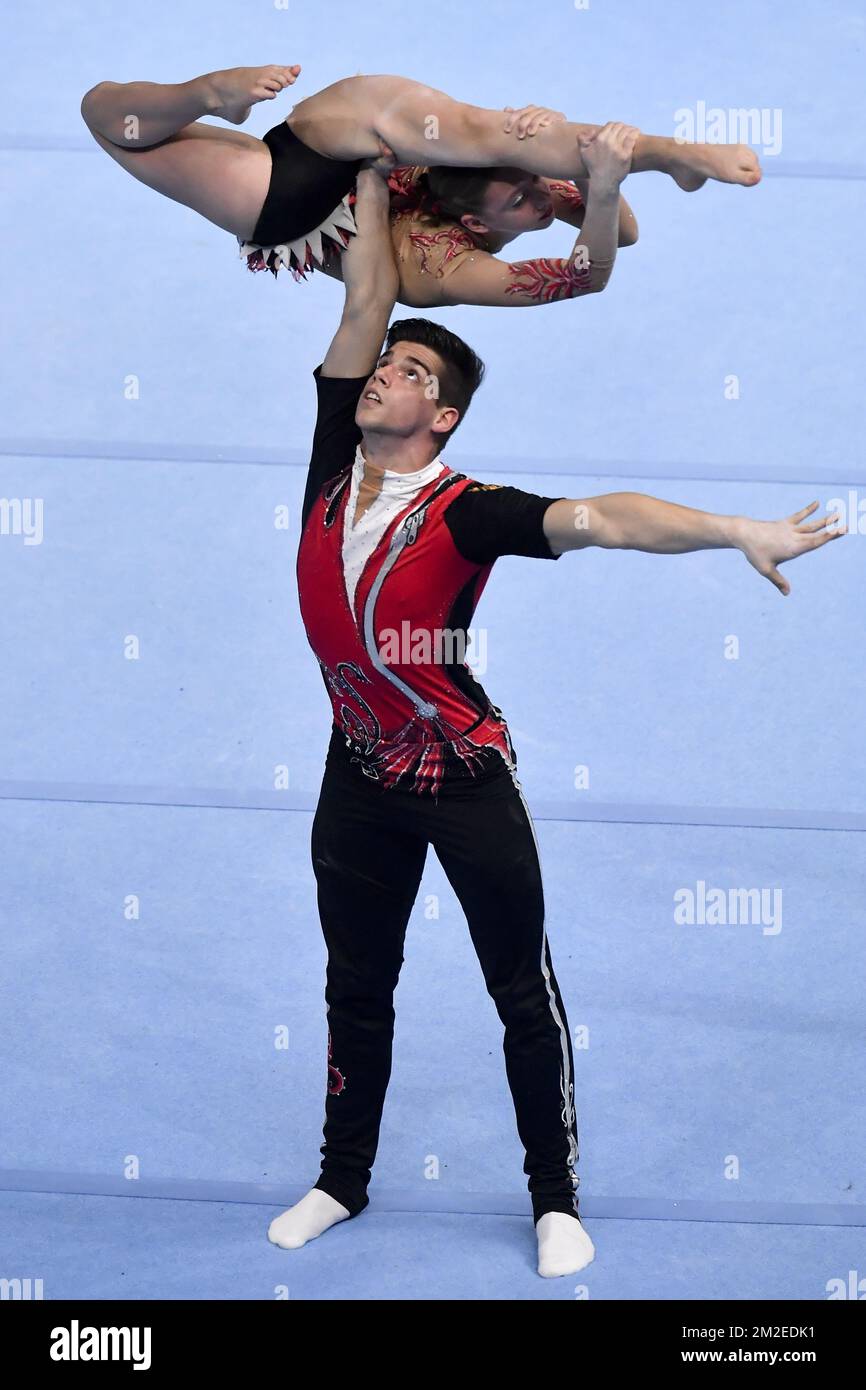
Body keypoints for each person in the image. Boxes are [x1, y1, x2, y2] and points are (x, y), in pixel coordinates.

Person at [265, 166, 843, 1278]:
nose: (383, 368)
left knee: (517, 989)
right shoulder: (328, 464)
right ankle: (341, 1176)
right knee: (352, 986)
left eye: (411, 370)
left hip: (463, 780)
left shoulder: (470, 512)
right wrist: (378, 187)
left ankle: (552, 1194)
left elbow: (607, 518)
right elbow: (361, 301)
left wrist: (731, 528)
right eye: (383, 361)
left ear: (439, 417)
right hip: (356, 776)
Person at [79, 63, 760, 285]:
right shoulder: (494, 189)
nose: (544, 197)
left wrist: (604, 187)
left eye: (529, 192)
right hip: (336, 144)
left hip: (293, 202)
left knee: (106, 116)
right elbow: (618, 236)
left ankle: (206, 95)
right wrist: (553, 147)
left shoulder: (451, 270)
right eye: (529, 184)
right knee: (481, 127)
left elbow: (589, 274)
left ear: (474, 224)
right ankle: (673, 154)